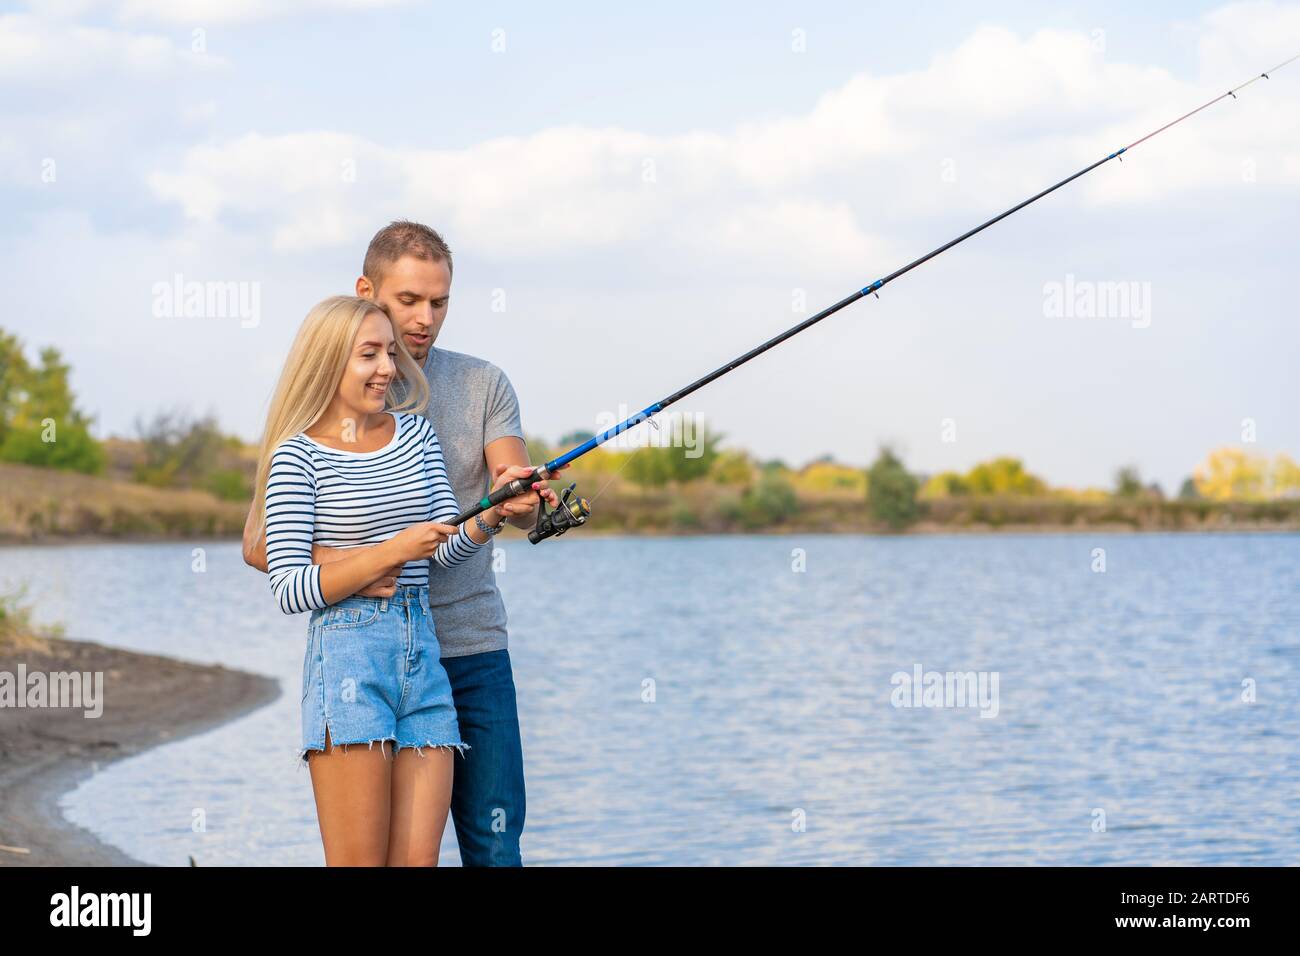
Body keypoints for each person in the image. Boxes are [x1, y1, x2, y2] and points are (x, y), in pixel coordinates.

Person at [244, 221, 556, 865]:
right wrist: (375, 558)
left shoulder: (442, 413)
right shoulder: (299, 446)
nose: (423, 322)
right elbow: (273, 558)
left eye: (439, 302)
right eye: (408, 301)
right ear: (366, 293)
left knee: (488, 847)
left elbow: (460, 525)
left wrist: (502, 508)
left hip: (454, 651)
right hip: (355, 652)